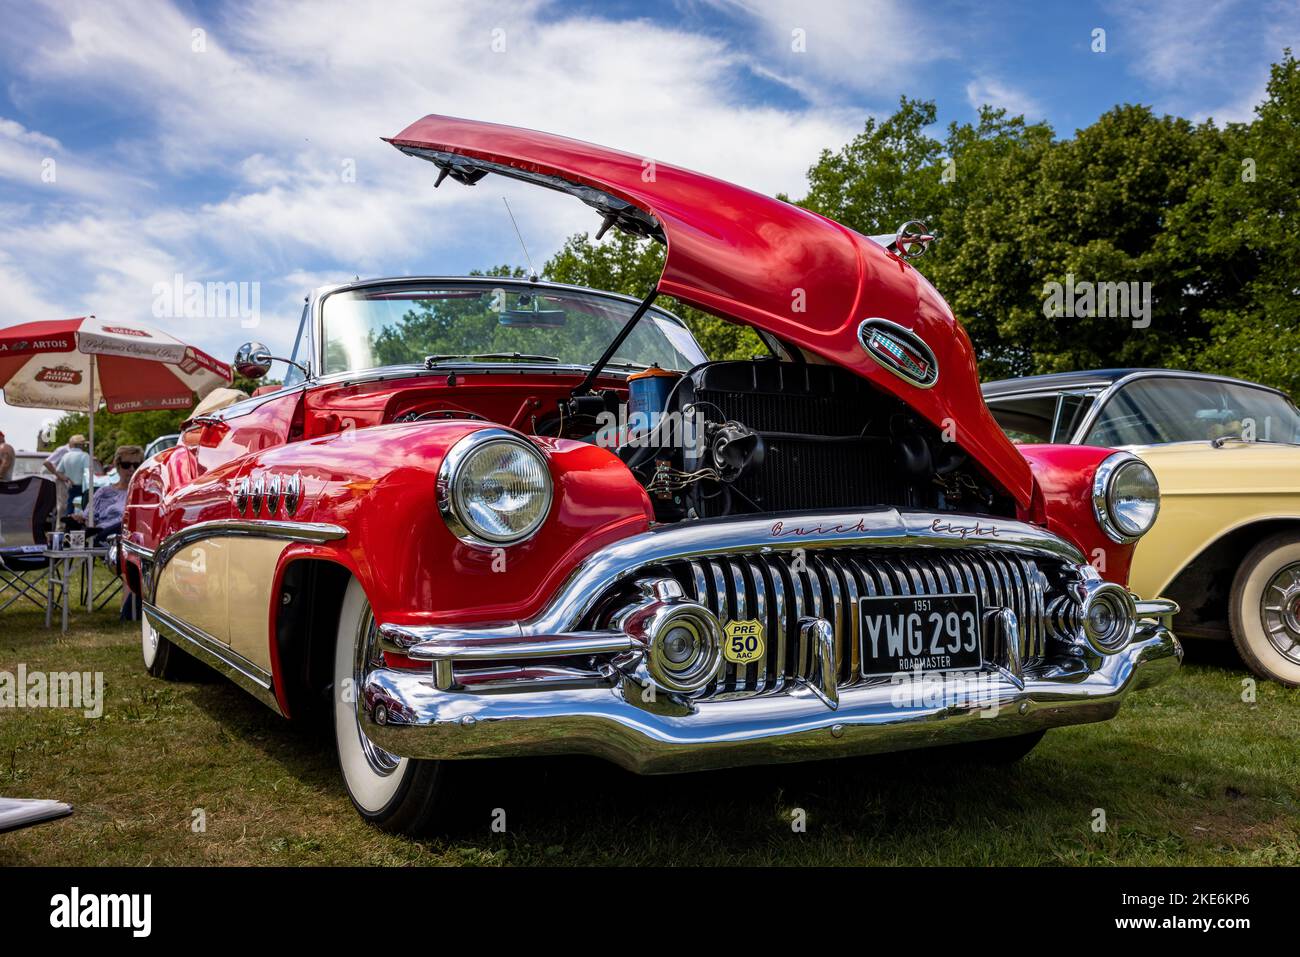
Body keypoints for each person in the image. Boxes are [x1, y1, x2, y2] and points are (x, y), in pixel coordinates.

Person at [68, 445, 144, 621]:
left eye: (136, 465)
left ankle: (130, 611)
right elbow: (87, 519)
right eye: (126, 465)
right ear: (117, 466)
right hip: (107, 539)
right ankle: (131, 610)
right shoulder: (104, 492)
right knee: (126, 528)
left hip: (134, 541)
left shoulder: (144, 493)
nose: (131, 469)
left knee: (133, 554)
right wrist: (78, 518)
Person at [53, 435, 90, 518]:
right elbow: (88, 472)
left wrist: (66, 479)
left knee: (70, 507)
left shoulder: (66, 456)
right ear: (81, 445)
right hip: (83, 488)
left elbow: (58, 471)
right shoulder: (85, 456)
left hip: (71, 486)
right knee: (84, 508)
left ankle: (69, 525)